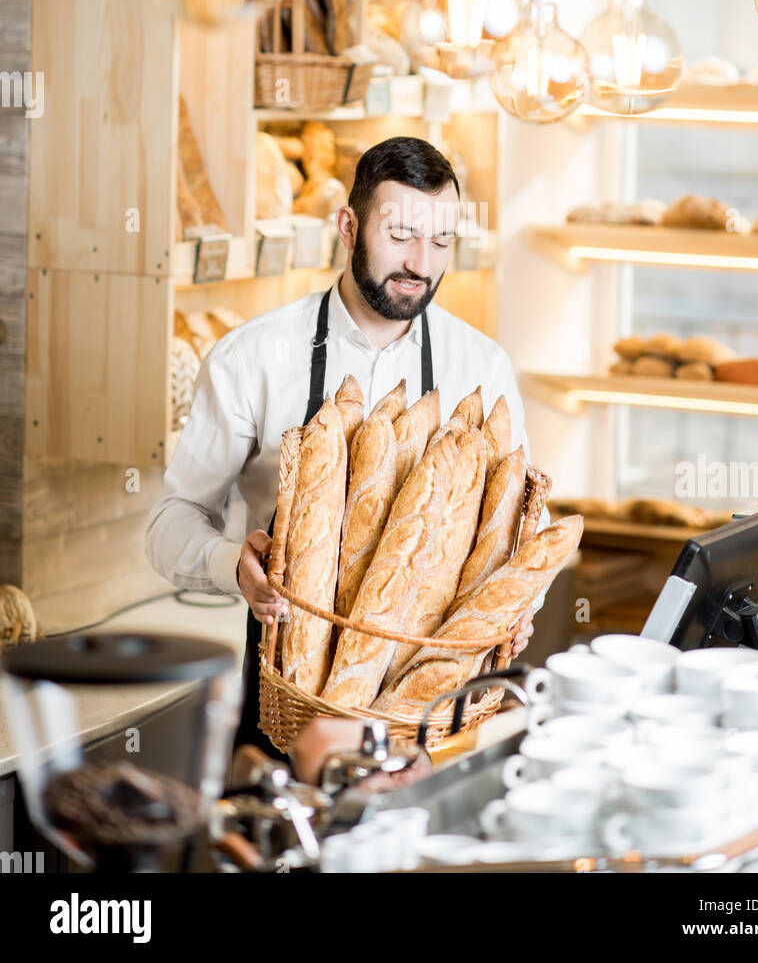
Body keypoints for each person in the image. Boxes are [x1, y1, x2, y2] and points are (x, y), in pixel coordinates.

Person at [146, 136, 547, 758]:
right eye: (401, 234)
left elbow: (524, 527)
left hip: (440, 701)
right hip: (293, 690)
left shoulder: (482, 368)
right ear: (348, 225)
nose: (421, 261)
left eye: (441, 241)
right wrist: (234, 565)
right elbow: (170, 522)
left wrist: (521, 606)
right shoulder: (253, 357)